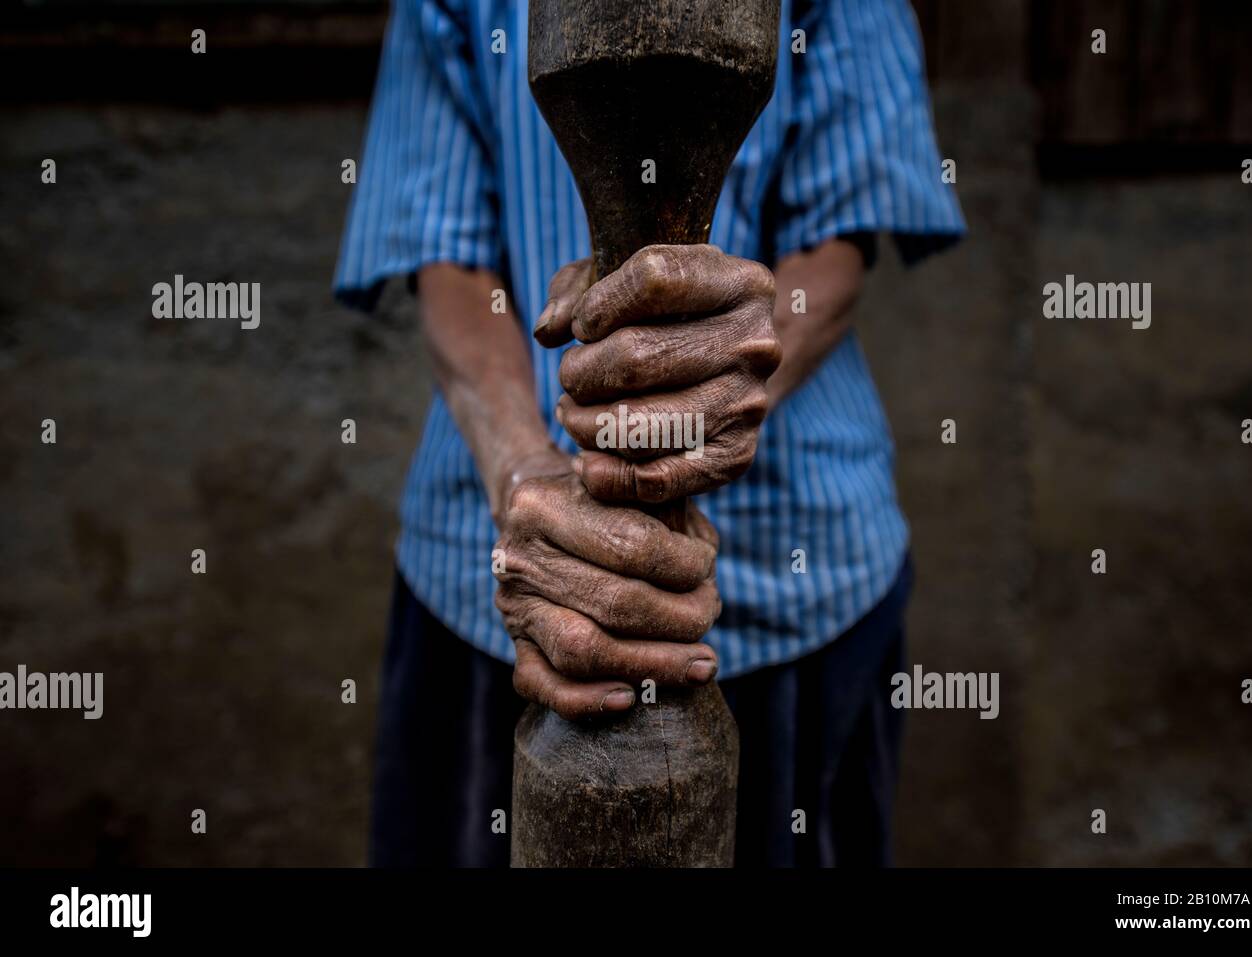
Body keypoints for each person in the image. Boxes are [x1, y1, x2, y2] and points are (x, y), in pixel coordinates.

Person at [335, 0, 963, 867]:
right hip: (492, 566)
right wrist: (525, 475)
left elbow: (838, 241)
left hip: (790, 575)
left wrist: (733, 360)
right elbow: (445, 252)